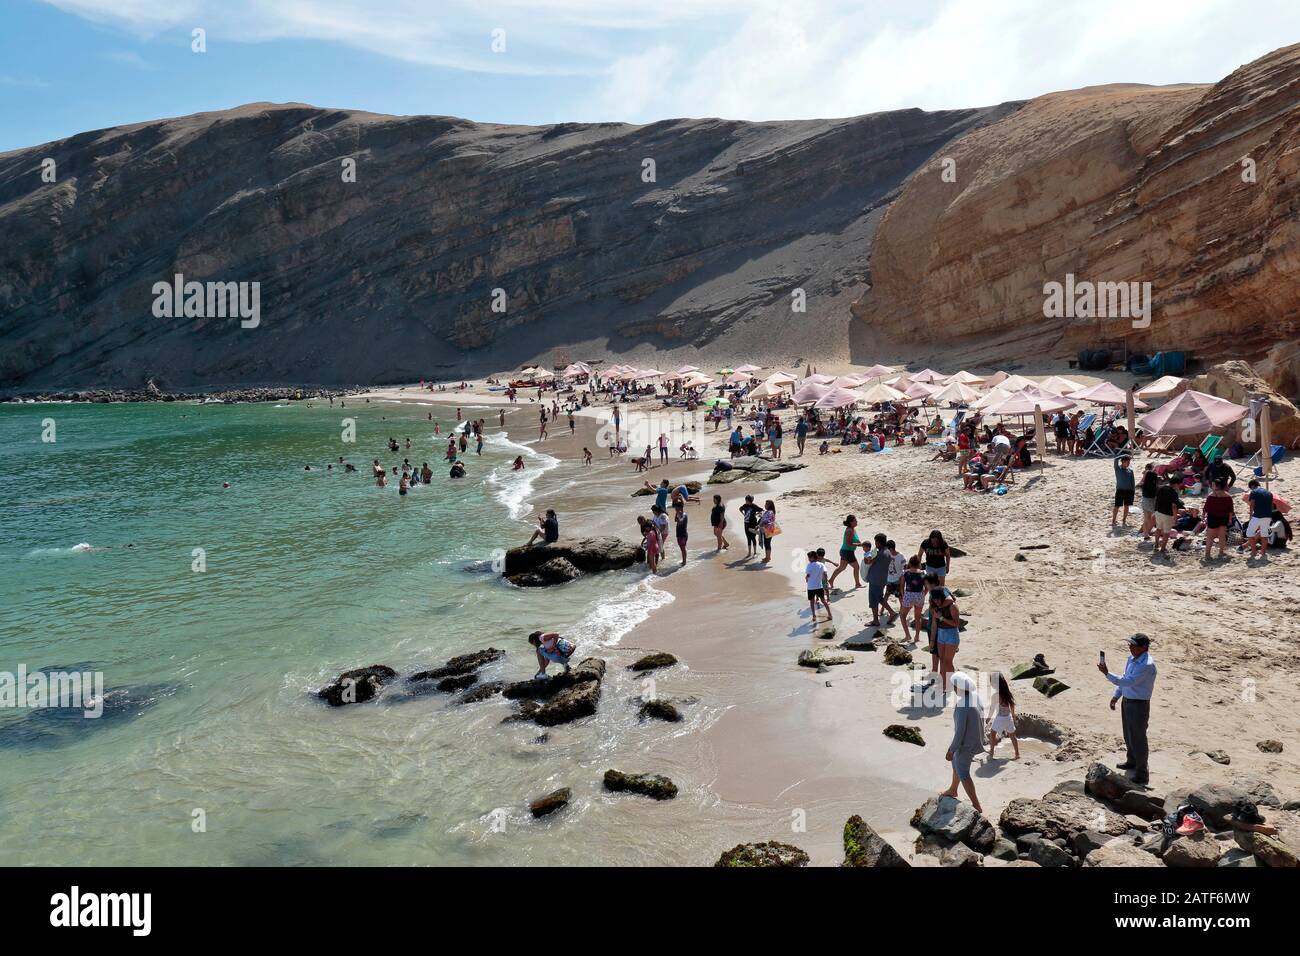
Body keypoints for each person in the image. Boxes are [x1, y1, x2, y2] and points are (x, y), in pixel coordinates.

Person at [1099, 633, 1157, 785]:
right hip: (1128, 700)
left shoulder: (1147, 665)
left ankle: (1142, 773)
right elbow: (1124, 679)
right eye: (1130, 645)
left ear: (1144, 647)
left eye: (1133, 645)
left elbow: (1128, 681)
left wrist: (1107, 673)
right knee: (1128, 735)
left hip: (1139, 704)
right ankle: (1131, 761)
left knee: (1138, 738)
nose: (1130, 647)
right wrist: (1116, 696)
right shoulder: (1132, 659)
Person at [940, 672, 984, 813]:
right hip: (976, 738)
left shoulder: (962, 706)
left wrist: (951, 749)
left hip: (966, 744)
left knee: (963, 772)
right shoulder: (975, 697)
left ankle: (976, 804)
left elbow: (960, 733)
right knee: (956, 764)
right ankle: (953, 789)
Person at [929, 587, 962, 693]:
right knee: (942, 660)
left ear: (942, 597)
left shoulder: (952, 606)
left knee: (948, 662)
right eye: (934, 600)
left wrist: (942, 618)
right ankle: (943, 685)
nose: (937, 601)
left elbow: (956, 624)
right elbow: (934, 625)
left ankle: (954, 685)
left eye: (938, 599)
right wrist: (932, 641)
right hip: (940, 635)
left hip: (951, 635)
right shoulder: (934, 607)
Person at [863, 533, 893, 628]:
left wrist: (866, 554)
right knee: (879, 597)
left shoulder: (879, 553)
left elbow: (867, 562)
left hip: (875, 580)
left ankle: (875, 621)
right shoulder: (888, 552)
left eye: (876, 541)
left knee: (873, 601)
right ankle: (892, 612)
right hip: (883, 579)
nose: (875, 543)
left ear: (879, 542)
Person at [987, 673, 1020, 759]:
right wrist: (1013, 715)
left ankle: (991, 752)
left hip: (1000, 717)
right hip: (1008, 717)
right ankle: (1017, 753)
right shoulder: (1007, 693)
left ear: (995, 684)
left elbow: (992, 708)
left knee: (992, 733)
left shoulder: (995, 696)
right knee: (1012, 735)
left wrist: (988, 718)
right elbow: (1012, 705)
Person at [1202, 478, 1235, 559]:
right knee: (1222, 536)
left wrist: (1203, 516)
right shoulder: (1228, 496)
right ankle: (1221, 552)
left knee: (1210, 536)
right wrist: (1230, 519)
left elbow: (1206, 508)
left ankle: (1207, 554)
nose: (1212, 485)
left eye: (1213, 484)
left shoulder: (1211, 496)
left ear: (1216, 486)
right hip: (1224, 517)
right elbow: (1231, 510)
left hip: (1213, 517)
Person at [828, 515, 862, 590]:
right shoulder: (849, 530)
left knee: (842, 567)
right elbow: (848, 543)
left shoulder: (853, 529)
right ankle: (857, 584)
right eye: (855, 520)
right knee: (856, 567)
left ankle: (830, 580)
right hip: (847, 552)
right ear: (850, 522)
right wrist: (859, 545)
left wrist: (862, 544)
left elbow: (856, 540)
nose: (857, 521)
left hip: (846, 551)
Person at [1152, 475, 1182, 555]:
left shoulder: (1161, 488)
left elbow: (1156, 499)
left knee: (1158, 529)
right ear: (1176, 484)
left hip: (1158, 512)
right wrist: (1175, 518)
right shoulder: (1174, 493)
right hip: (1167, 514)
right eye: (1178, 485)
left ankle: (1156, 544)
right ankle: (1163, 549)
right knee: (1166, 532)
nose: (1178, 487)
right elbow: (1174, 506)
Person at [899, 556, 927, 643]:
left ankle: (907, 635)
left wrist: (904, 595)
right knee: (918, 617)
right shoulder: (924, 573)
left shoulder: (906, 573)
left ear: (910, 564)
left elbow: (901, 586)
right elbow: (927, 587)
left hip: (909, 595)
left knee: (903, 616)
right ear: (919, 564)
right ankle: (917, 637)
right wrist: (923, 594)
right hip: (919, 595)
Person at [1244, 479, 1274, 559]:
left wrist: (1250, 515)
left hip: (1257, 516)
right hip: (1267, 516)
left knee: (1249, 533)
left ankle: (1254, 551)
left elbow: (1252, 504)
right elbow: (1271, 506)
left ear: (1252, 486)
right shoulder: (1269, 493)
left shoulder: (1254, 492)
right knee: (1264, 535)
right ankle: (1263, 552)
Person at [805, 550, 832, 624]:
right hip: (819, 586)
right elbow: (825, 574)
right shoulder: (821, 564)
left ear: (812, 558)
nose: (808, 559)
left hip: (811, 587)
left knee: (812, 601)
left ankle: (814, 615)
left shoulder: (809, 565)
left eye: (809, 558)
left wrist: (806, 579)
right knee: (824, 601)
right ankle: (830, 614)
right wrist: (826, 583)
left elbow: (808, 575)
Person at [1112, 453, 1135, 526]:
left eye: (1129, 462)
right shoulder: (1118, 469)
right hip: (1120, 490)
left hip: (1129, 491)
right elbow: (1115, 459)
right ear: (1123, 461)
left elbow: (1132, 482)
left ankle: (1124, 520)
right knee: (1117, 506)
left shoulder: (1130, 471)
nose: (1128, 463)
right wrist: (1124, 455)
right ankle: (1113, 521)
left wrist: (1133, 491)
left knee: (1126, 506)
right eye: (1127, 462)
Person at [1138, 463, 1159, 540]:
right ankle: (1147, 532)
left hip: (1144, 500)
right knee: (1153, 517)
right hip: (1151, 501)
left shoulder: (1144, 485)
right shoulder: (1154, 486)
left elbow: (1140, 483)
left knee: (1146, 518)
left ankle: (1145, 534)